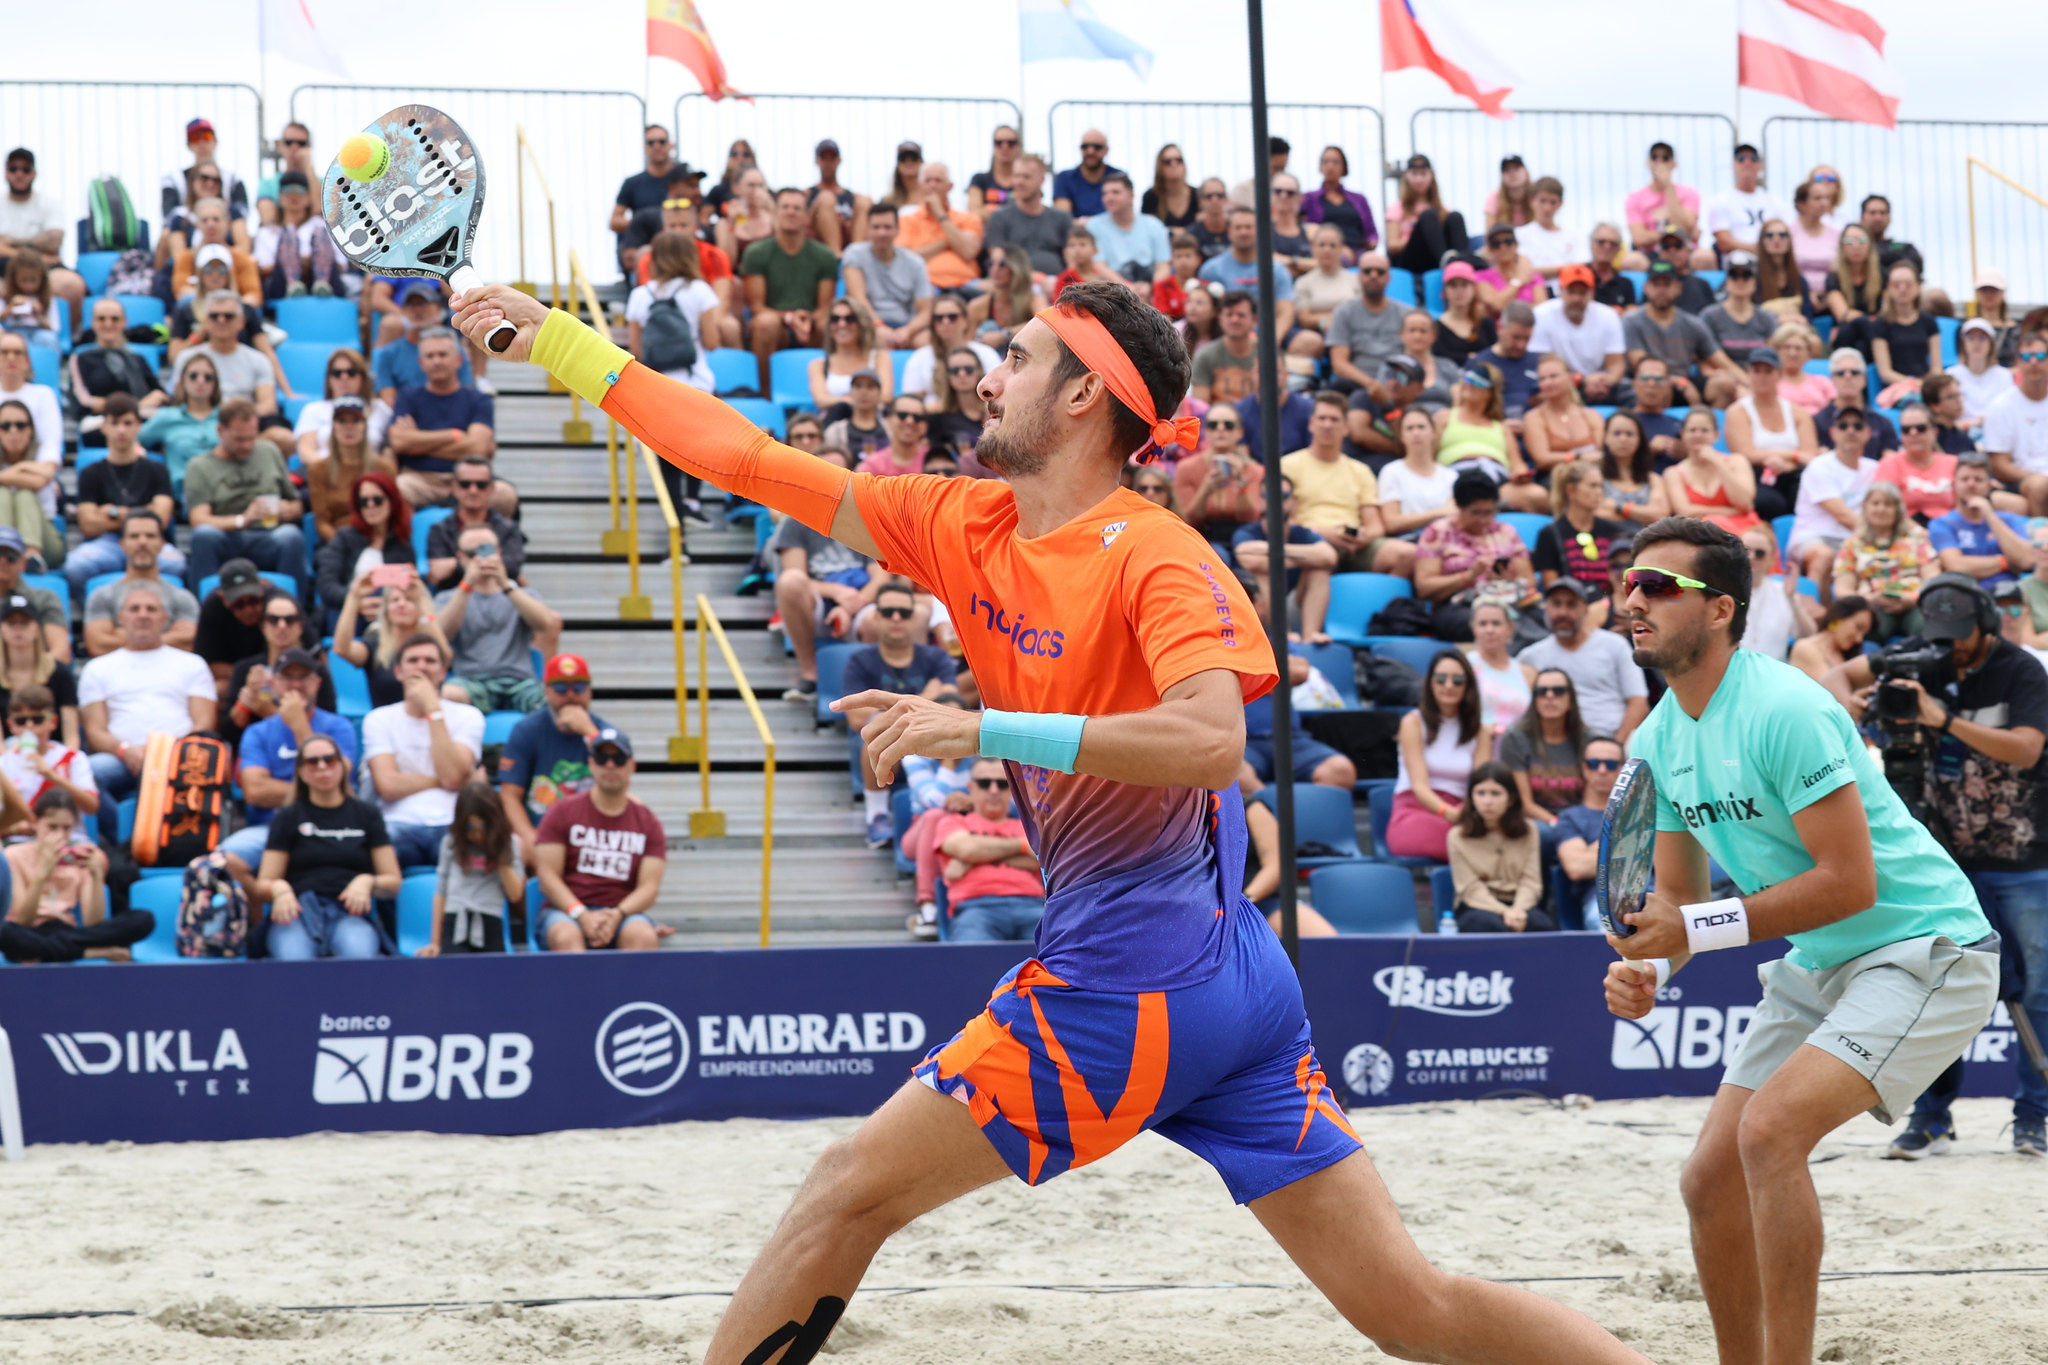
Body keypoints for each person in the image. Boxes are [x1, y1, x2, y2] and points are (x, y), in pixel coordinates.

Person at [452, 275, 1654, 1364]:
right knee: (1413, 1310)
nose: (986, 372)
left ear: (1083, 393)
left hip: (1132, 983)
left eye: (1018, 357)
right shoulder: (970, 524)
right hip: (1225, 977)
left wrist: (975, 728)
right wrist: (554, 339)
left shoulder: (1158, 556)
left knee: (842, 1193)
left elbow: (1208, 742)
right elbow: (744, 458)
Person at [1606, 517, 1998, 1365]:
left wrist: (1690, 929)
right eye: (1629, 583)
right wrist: (1649, 967)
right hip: (1822, 960)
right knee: (1708, 1180)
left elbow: (1849, 883)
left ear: (1718, 610)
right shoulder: (1657, 740)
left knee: (1768, 1134)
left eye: (1657, 586)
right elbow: (1678, 902)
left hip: (1928, 946)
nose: (1633, 599)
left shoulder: (1786, 704)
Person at [1819, 577, 2048, 1158]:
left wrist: (1941, 719)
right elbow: (1831, 679)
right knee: (1935, 988)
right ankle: (1931, 1117)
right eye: (1939, 635)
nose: (1951, 647)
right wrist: (1852, 707)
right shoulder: (1914, 658)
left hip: (2025, 857)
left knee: (2040, 992)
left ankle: (2034, 1117)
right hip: (1941, 856)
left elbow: (2026, 747)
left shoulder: (2022, 671)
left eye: (1961, 636)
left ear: (1989, 625)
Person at [78, 584, 217, 834]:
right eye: (135, 609)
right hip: (121, 757)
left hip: (180, 757)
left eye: (151, 609)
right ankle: (125, 839)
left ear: (165, 619)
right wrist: (125, 750)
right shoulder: (97, 668)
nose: (143, 615)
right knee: (88, 771)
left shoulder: (192, 664)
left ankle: (170, 841)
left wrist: (165, 754)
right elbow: (95, 731)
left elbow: (203, 725)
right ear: (121, 618)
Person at [253, 731, 399, 960]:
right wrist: (279, 890)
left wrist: (367, 881)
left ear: (342, 765)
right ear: (300, 772)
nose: (322, 767)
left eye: (329, 759)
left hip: (350, 914)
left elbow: (393, 881)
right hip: (297, 913)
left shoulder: (366, 814)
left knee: (359, 955)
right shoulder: (288, 817)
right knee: (294, 960)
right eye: (312, 762)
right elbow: (264, 884)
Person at [215, 645, 357, 871]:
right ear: (274, 684)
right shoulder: (258, 732)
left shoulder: (339, 727)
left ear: (317, 683)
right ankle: (255, 905)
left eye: (304, 678)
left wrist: (299, 725)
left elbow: (336, 784)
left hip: (330, 825)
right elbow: (255, 791)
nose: (296, 685)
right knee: (221, 862)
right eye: (287, 677)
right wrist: (312, 792)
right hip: (269, 828)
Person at [841, 581, 958, 846]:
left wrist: (884, 709)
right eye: (888, 612)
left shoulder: (935, 658)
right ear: (876, 617)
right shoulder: (859, 660)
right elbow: (857, 718)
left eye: (904, 613)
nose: (896, 618)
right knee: (876, 732)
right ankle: (877, 814)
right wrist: (927, 698)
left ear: (914, 618)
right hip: (886, 747)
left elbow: (953, 704)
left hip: (933, 741)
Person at [535, 726, 665, 952]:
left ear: (632, 766)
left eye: (619, 758)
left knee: (642, 936)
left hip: (624, 913)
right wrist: (581, 914)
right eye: (602, 757)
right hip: (566, 911)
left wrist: (617, 915)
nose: (610, 765)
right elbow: (547, 877)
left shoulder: (648, 822)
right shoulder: (562, 811)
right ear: (591, 763)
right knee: (567, 936)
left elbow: (649, 888)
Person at [361, 633, 487, 867]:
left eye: (430, 661)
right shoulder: (378, 719)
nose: (422, 667)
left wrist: (432, 709)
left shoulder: (469, 716)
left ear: (443, 672)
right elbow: (387, 786)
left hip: (454, 824)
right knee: (372, 853)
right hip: (397, 824)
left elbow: (451, 775)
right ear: (398, 672)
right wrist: (446, 781)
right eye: (413, 660)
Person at [182, 398, 308, 603]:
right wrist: (243, 520)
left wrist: (287, 510)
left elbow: (297, 504)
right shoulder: (200, 466)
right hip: (226, 537)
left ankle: (292, 609)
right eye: (240, 440)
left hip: (268, 535)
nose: (248, 446)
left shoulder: (269, 451)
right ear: (221, 431)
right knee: (204, 536)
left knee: (291, 537)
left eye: (252, 438)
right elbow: (199, 519)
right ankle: (203, 609)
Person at [1279, 392, 1415, 578]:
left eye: (1335, 419)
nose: (1328, 425)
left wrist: (1364, 537)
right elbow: (1283, 521)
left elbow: (1376, 525)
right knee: (1321, 557)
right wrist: (1322, 534)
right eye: (1322, 418)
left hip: (1353, 545)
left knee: (1407, 555)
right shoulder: (1287, 465)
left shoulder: (1360, 470)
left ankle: (1386, 605)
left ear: (1346, 428)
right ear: (1311, 424)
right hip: (1310, 542)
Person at [0, 788, 138, 964]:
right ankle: (89, 952)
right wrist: (42, 873)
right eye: (52, 827)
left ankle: (52, 951)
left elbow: (93, 923)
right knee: (6, 933)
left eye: (66, 828)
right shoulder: (13, 855)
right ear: (35, 823)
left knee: (142, 919)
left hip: (68, 930)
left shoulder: (84, 856)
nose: (60, 835)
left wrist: (96, 877)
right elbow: (24, 920)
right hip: (29, 931)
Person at [434, 524, 560, 714]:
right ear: (460, 558)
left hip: (521, 682)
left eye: (486, 551)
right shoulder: (447, 598)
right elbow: (441, 634)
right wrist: (466, 586)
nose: (480, 560)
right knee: (448, 695)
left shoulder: (523, 594)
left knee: (558, 700)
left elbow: (546, 623)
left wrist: (506, 584)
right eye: (471, 554)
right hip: (471, 681)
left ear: (499, 553)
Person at [499, 653, 610, 869]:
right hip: (541, 831)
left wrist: (589, 734)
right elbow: (509, 795)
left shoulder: (604, 734)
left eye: (578, 687)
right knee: (518, 849)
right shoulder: (527, 730)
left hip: (591, 836)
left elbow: (617, 783)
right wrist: (531, 838)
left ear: (589, 691)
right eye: (560, 688)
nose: (570, 695)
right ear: (546, 691)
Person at [770, 503, 880, 705]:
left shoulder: (867, 520)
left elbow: (881, 578)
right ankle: (810, 674)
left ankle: (871, 687)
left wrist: (847, 607)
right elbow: (795, 572)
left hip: (861, 599)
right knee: (790, 582)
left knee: (879, 620)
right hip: (818, 601)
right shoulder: (796, 521)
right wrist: (838, 592)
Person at [1389, 649, 1493, 861]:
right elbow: (1419, 787)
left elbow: (1480, 785)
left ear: (1468, 686)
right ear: (1430, 683)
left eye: (1457, 680)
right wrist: (1450, 813)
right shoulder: (1413, 723)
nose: (1448, 686)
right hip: (1415, 810)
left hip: (1464, 812)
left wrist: (1465, 813)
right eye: (1440, 679)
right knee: (1469, 844)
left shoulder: (1480, 731)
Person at [388, 328, 505, 514]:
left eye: (443, 355)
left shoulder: (478, 400)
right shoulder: (407, 398)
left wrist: (417, 441)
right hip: (419, 479)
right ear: (420, 363)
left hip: (469, 479)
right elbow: (399, 442)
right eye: (430, 356)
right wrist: (455, 435)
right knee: (397, 489)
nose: (436, 361)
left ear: (458, 360)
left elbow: (478, 448)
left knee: (504, 495)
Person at [932, 756, 1046, 942]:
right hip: (976, 908)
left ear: (1011, 789)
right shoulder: (952, 822)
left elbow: (1040, 859)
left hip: (1033, 906)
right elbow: (967, 849)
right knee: (974, 962)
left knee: (1058, 960)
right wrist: (1022, 845)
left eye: (1002, 784)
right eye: (985, 783)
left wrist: (975, 857)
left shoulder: (1029, 826)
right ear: (971, 788)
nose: (993, 790)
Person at [741, 188, 840, 393]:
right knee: (764, 323)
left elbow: (824, 306)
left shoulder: (824, 255)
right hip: (777, 323)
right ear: (775, 212)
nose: (790, 212)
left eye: (797, 208)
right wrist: (789, 318)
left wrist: (807, 320)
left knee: (830, 322)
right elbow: (758, 307)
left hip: (810, 324)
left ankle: (829, 389)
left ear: (806, 216)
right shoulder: (756, 253)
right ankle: (765, 395)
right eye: (785, 207)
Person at [420, 781, 524, 956]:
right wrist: (435, 942)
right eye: (470, 827)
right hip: (455, 922)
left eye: (483, 827)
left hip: (490, 923)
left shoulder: (509, 845)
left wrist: (499, 852)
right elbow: (441, 893)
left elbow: (515, 894)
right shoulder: (451, 843)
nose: (477, 834)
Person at [1231, 477, 1339, 643]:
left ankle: (1310, 637)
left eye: (1283, 495)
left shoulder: (1301, 533)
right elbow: (1250, 560)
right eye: (1268, 495)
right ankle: (1284, 636)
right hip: (1257, 610)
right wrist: (1305, 557)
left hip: (1295, 603)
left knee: (1320, 569)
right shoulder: (1247, 531)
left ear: (1294, 502)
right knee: (1263, 571)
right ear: (1259, 500)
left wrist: (1273, 552)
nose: (1275, 500)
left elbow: (1329, 557)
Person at [80, 513, 199, 659]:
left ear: (162, 544)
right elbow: (97, 646)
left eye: (150, 536)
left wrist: (122, 635)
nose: (142, 542)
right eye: (134, 536)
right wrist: (163, 636)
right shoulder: (102, 596)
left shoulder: (182, 597)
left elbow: (189, 643)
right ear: (122, 544)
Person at [1448, 762, 1549, 934]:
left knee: (1542, 925)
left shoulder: (1529, 830)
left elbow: (1531, 882)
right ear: (1471, 798)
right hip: (1477, 906)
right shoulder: (1457, 836)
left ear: (1510, 799)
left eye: (1495, 793)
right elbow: (1469, 888)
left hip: (1520, 903)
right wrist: (1504, 912)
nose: (1487, 801)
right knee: (1487, 925)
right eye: (1480, 793)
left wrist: (1517, 910)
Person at [625, 229, 724, 402]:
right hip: (696, 384)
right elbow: (711, 343)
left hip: (655, 388)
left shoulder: (639, 295)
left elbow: (636, 350)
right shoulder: (700, 290)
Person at [332, 572, 455, 709]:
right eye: (395, 600)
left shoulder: (428, 645)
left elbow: (446, 656)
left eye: (409, 600)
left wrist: (421, 601)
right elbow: (341, 649)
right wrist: (354, 597)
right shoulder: (375, 643)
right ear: (386, 611)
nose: (401, 604)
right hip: (386, 725)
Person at [1413, 470, 1535, 609]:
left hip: (1506, 601)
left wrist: (1507, 580)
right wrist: (1469, 576)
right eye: (1475, 513)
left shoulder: (1506, 532)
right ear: (1458, 507)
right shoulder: (1437, 533)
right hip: (1457, 605)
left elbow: (1529, 581)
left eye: (1488, 512)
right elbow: (1424, 588)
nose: (1483, 520)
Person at [1788, 408, 1881, 588]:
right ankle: (1814, 610)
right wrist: (1883, 537)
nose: (1850, 430)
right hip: (1816, 537)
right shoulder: (1820, 467)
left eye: (1858, 426)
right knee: (1824, 555)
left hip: (1857, 538)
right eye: (1843, 426)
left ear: (1868, 434)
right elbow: (1843, 516)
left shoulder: (1875, 468)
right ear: (1833, 433)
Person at [1625, 263, 1739, 407]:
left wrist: (1750, 386)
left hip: (1685, 381)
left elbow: (1722, 361)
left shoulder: (1692, 323)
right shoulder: (1632, 321)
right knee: (1653, 384)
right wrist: (1679, 382)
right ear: (1646, 288)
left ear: (1678, 288)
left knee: (1724, 384)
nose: (1661, 290)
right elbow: (1643, 366)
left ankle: (1707, 427)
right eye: (1656, 284)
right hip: (1651, 382)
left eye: (1667, 284)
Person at [1832, 481, 1934, 642]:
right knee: (1868, 631)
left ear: (1898, 510)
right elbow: (1842, 589)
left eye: (1888, 504)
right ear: (1865, 507)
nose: (1881, 509)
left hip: (1914, 604)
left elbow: (1933, 579)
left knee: (1926, 630)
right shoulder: (1852, 544)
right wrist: (1868, 600)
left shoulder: (1917, 539)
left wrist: (1912, 599)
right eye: (1875, 503)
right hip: (1873, 606)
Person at [1724, 345, 1818, 516]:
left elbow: (1809, 454)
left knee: (1808, 496)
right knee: (1769, 503)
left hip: (1793, 472)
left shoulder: (1797, 412)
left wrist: (1787, 465)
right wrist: (1793, 455)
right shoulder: (1737, 412)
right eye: (1756, 370)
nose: (1762, 377)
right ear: (1749, 373)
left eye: (1768, 371)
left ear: (1779, 375)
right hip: (1756, 474)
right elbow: (1745, 453)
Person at [1930, 453, 2037, 595]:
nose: (1971, 484)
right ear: (1954, 484)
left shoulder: (2010, 520)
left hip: (2010, 596)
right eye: (1964, 479)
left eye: (1978, 480)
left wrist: (1989, 516)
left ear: (1990, 485)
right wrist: (2007, 562)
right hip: (1965, 596)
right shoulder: (1942, 524)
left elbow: (2026, 560)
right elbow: (1956, 566)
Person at [1501, 667, 1589, 829]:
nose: (1549, 696)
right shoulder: (1515, 738)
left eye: (1559, 691)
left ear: (1571, 699)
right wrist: (1558, 824)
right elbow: (1524, 804)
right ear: (1534, 699)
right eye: (1541, 691)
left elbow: (1594, 799)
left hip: (1581, 820)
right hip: (1537, 822)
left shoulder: (1588, 738)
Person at [424, 455, 529, 591]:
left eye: (481, 485)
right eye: (465, 484)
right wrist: (492, 562)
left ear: (491, 489)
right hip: (453, 602)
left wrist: (456, 564)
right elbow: (438, 574)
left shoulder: (508, 528)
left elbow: (512, 567)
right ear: (454, 488)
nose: (473, 490)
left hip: (501, 601)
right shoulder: (440, 529)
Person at [0, 148, 85, 315]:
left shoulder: (49, 203)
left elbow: (54, 241)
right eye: (13, 168)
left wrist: (11, 242)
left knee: (73, 285)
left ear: (34, 173)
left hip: (45, 269)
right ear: (6, 172)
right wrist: (37, 253)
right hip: (6, 268)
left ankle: (71, 340)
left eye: (25, 169)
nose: (19, 174)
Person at [67, 298, 167, 438]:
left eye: (115, 319)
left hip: (140, 424)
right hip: (100, 425)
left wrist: (105, 404)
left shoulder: (137, 358)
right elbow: (83, 402)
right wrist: (136, 407)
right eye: (101, 319)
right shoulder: (80, 358)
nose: (108, 324)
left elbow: (159, 394)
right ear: (92, 323)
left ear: (124, 322)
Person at [841, 204, 933, 350]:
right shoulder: (854, 254)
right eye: (876, 227)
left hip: (906, 326)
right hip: (867, 324)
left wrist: (907, 331)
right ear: (868, 229)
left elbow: (926, 311)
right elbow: (859, 299)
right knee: (878, 341)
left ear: (897, 229)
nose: (882, 232)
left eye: (887, 227)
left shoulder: (915, 262)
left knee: (931, 343)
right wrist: (879, 327)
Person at [1529, 266, 1627, 402]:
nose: (1576, 298)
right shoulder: (1541, 315)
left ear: (1592, 293)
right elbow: (1542, 364)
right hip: (1560, 383)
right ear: (1560, 291)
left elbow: (1616, 363)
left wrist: (1605, 381)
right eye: (1571, 292)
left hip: (1600, 384)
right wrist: (1582, 380)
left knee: (1631, 391)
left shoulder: (1608, 315)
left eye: (1582, 292)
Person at [1198, 211, 1296, 340]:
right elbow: (1204, 313)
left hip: (1268, 336)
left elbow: (1285, 312)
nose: (1243, 232)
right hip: (1224, 337)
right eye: (1238, 228)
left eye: (1249, 227)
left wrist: (1269, 345)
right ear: (1229, 232)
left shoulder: (1277, 270)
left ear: (1260, 231)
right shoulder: (1210, 269)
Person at [1664, 408, 1762, 536]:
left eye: (1705, 430)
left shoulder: (1737, 461)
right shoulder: (1673, 472)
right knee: (1714, 522)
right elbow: (1684, 511)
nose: (1698, 435)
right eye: (1692, 430)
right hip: (1702, 533)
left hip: (1744, 530)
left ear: (1716, 435)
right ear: (1683, 434)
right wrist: (1728, 511)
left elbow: (1744, 503)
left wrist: (1719, 463)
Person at [0, 683, 93, 816]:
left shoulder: (73, 757)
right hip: (18, 837)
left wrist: (52, 776)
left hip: (68, 835)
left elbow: (92, 806)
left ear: (53, 722)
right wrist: (17, 829)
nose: (29, 725)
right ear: (11, 725)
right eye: (21, 721)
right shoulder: (3, 764)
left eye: (37, 719)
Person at [1535, 464, 1628, 597]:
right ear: (1571, 490)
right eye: (1593, 486)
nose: (1599, 492)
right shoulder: (1549, 534)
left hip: (1610, 607)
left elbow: (1622, 582)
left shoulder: (1614, 531)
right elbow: (1553, 590)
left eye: (1601, 486)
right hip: (1572, 609)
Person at [138, 350, 222, 496]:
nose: (200, 381)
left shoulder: (226, 417)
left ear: (215, 384)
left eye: (208, 377)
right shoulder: (167, 417)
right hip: (187, 491)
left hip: (224, 487)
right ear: (182, 381)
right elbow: (132, 439)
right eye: (193, 376)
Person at [1553, 735, 1625, 901]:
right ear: (1584, 768)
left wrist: (1594, 852)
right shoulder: (1569, 818)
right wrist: (1630, 839)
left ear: (1622, 769)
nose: (1602, 770)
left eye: (1611, 764)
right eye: (1593, 764)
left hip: (1653, 895)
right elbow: (1577, 867)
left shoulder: (1643, 811)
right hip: (1603, 901)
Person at [0, 598, 78, 746]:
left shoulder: (59, 672)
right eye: (11, 623)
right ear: (2, 629)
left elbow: (71, 735)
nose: (18, 629)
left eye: (24, 623)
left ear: (37, 628)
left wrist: (65, 763)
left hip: (55, 752)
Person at [1985, 331, 2048, 515]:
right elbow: (1999, 465)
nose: (2034, 362)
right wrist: (2039, 477)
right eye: (2027, 357)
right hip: (2024, 479)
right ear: (2017, 362)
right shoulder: (2000, 405)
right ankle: (2041, 539)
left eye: (2041, 356)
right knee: (2040, 486)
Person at [897, 163, 983, 294]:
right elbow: (904, 260)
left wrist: (941, 215)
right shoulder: (906, 220)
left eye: (938, 180)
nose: (932, 185)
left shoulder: (969, 218)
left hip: (967, 283)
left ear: (949, 187)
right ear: (920, 185)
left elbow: (968, 251)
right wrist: (945, 243)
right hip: (926, 285)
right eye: (927, 180)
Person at [983, 155, 1072, 278]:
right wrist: (1037, 279)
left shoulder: (1062, 218)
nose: (1020, 182)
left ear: (1041, 180)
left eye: (1026, 176)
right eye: (1016, 176)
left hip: (1058, 285)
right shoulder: (998, 217)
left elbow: (1074, 260)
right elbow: (998, 262)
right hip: (1015, 285)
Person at [899, 300, 1001, 407]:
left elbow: (997, 394)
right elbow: (911, 402)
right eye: (939, 318)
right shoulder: (920, 356)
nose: (945, 322)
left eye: (952, 317)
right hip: (933, 419)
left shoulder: (986, 353)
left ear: (965, 320)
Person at [1870, 263, 1942, 408]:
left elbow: (1936, 366)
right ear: (1888, 288)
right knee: (1919, 402)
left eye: (1908, 284)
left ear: (1918, 287)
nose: (1902, 289)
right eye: (1896, 285)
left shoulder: (1928, 321)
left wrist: (1926, 384)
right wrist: (1912, 383)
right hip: (1897, 387)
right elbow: (1885, 372)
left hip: (1925, 384)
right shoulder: (1880, 325)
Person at [1379, 409, 1459, 535]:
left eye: (1421, 427)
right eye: (1409, 428)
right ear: (1402, 436)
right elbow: (1391, 522)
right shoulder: (1391, 471)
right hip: (1409, 540)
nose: (1416, 433)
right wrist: (1439, 512)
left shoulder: (1450, 475)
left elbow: (1455, 513)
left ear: (1433, 432)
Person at [0, 396, 57, 571]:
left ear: (31, 429)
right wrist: (27, 470)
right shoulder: (39, 461)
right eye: (5, 426)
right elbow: (38, 476)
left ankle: (32, 556)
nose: (13, 431)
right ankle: (4, 554)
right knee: (2, 494)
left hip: (46, 540)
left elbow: (41, 480)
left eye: (20, 425)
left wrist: (20, 466)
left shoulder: (44, 450)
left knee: (25, 495)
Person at [1704, 142, 1789, 258]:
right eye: (1741, 159)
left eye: (1753, 158)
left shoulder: (1775, 201)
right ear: (1733, 166)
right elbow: (1724, 242)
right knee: (1739, 258)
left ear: (1760, 165)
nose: (1747, 162)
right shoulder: (1720, 200)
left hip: (1771, 258)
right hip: (1738, 263)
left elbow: (1785, 235)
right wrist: (1759, 250)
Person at [1874, 406, 1958, 523]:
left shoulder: (1953, 463)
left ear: (1935, 432)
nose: (1913, 433)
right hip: (1906, 533)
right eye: (1906, 429)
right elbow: (1884, 509)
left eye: (1920, 428)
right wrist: (1921, 535)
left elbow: (1964, 507)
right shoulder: (1890, 463)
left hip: (1950, 531)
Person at [1523, 354, 1603, 474]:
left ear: (1571, 378)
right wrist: (1578, 458)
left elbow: (1602, 451)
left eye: (1553, 376)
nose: (1547, 383)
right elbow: (1542, 458)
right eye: (1542, 379)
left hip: (1594, 473)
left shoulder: (1590, 415)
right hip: (1554, 478)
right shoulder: (1534, 417)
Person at [1086, 173, 1170, 285]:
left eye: (1116, 192)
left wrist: (1149, 286)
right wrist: (1126, 288)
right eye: (1105, 193)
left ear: (1131, 196)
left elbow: (1164, 267)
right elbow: (1097, 265)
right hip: (1111, 290)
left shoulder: (1154, 224)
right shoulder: (1093, 226)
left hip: (1149, 288)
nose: (1109, 198)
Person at [1814, 347, 1899, 456]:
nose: (1848, 377)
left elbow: (1890, 462)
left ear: (1864, 379)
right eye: (1841, 373)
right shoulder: (1817, 422)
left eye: (1854, 372)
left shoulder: (1882, 423)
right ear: (1832, 379)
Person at [1625, 142, 1704, 257]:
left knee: (1704, 257)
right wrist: (1676, 234)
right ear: (1648, 163)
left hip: (1684, 252)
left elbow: (1684, 226)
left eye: (1665, 158)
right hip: (1650, 254)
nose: (1659, 162)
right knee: (1632, 260)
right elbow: (1639, 238)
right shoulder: (1635, 198)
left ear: (1674, 164)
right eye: (1654, 157)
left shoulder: (1690, 193)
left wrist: (1668, 187)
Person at [1465, 601, 1535, 729]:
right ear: (1473, 629)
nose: (1489, 630)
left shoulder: (1527, 673)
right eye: (1482, 624)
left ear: (1510, 628)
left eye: (1496, 623)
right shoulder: (1464, 667)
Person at [1598, 411, 1670, 527]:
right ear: (1605, 437)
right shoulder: (1594, 476)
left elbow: (1659, 515)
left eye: (1630, 434)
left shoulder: (1653, 479)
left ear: (1640, 440)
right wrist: (1641, 514)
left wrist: (1619, 507)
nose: (1623, 439)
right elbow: (1596, 513)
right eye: (1617, 433)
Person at [1302, 145, 1376, 253]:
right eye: (1325, 162)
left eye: (1335, 162)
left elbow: (1371, 233)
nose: (1330, 166)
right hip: (1326, 251)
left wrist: (1372, 242)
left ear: (1344, 167)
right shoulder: (1309, 199)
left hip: (1359, 250)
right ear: (1321, 167)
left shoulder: (1359, 199)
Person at [1786, 594, 1871, 681]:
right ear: (1840, 616)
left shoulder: (1843, 656)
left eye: (1863, 634)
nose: (1859, 639)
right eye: (1858, 627)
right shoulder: (1805, 647)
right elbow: (1830, 690)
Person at [1947, 317, 2013, 430]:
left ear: (1991, 344)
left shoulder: (2004, 375)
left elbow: (2009, 413)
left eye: (1982, 338)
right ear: (1964, 344)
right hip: (1963, 433)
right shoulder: (1950, 375)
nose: (1976, 343)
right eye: (1971, 338)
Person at [1431, 261, 1497, 369]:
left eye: (1464, 285)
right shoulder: (1436, 328)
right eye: (1453, 286)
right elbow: (1439, 359)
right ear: (1445, 291)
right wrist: (1470, 357)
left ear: (1474, 289)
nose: (1459, 291)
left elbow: (1496, 354)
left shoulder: (1486, 324)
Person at [1051, 129, 1119, 218]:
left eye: (1097, 147)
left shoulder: (1118, 177)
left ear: (1106, 150)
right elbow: (1063, 220)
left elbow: (1123, 216)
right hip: (1076, 231)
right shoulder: (1065, 178)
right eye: (1085, 146)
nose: (1090, 151)